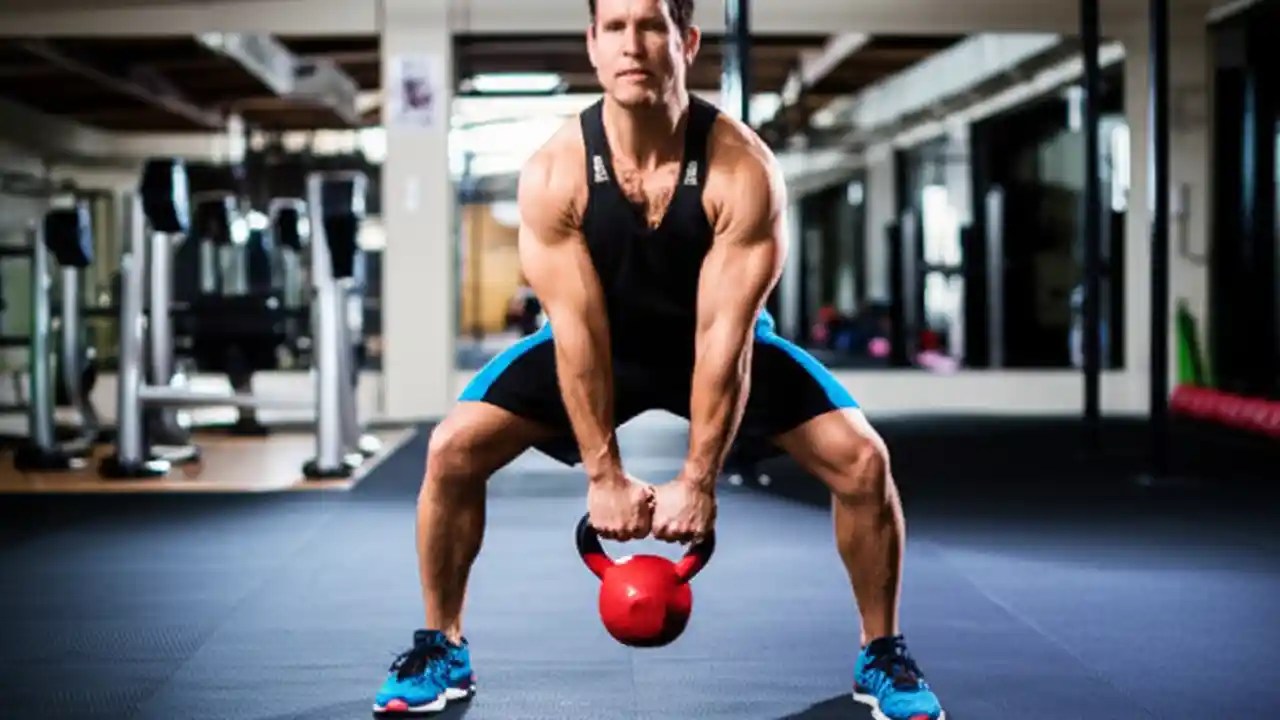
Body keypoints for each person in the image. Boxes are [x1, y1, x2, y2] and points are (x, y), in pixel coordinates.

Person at [372, 1, 946, 718]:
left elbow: (723, 338)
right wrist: (603, 475)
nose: (633, 44)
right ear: (592, 44)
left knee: (863, 462)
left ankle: (881, 651)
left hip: (715, 346)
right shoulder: (557, 171)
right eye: (615, 27)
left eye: (652, 26)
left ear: (689, 42)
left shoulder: (742, 169)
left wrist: (698, 479)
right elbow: (576, 335)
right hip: (599, 346)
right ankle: (441, 643)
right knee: (452, 449)